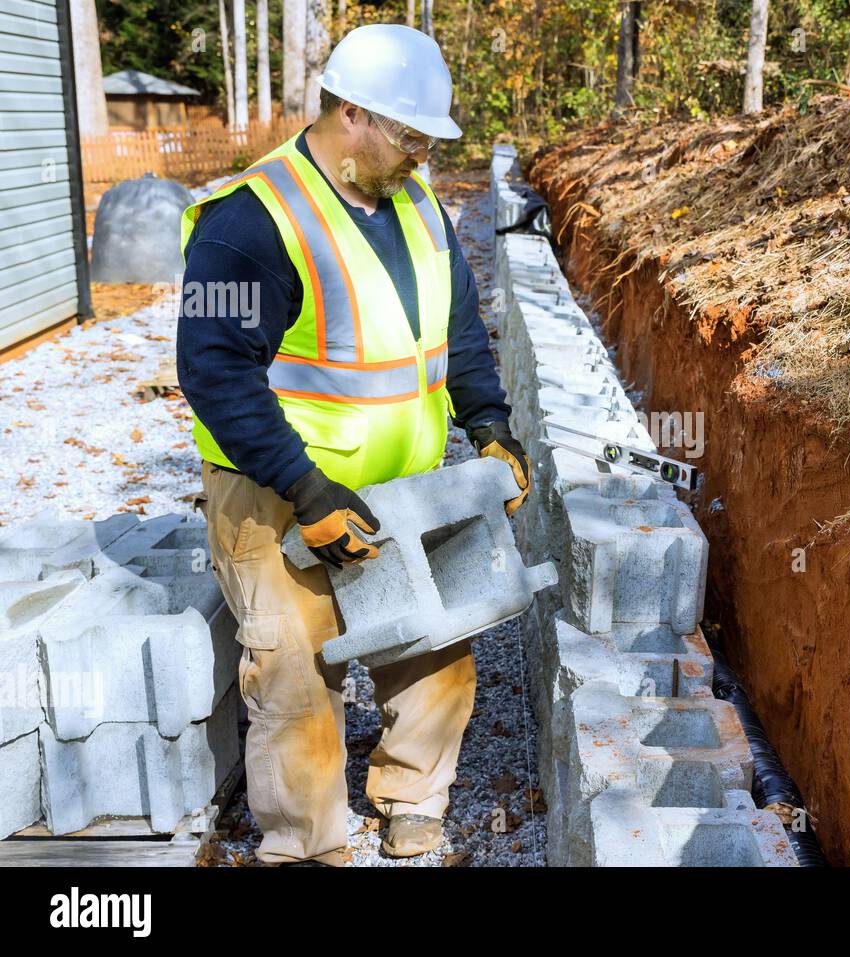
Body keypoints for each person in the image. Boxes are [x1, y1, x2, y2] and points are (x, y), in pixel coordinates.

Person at [176, 23, 530, 865]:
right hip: (275, 496)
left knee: (436, 648)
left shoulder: (422, 213)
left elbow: (460, 338)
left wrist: (491, 429)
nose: (420, 155)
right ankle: (306, 842)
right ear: (351, 112)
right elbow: (214, 369)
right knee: (297, 680)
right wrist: (306, 487)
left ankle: (413, 793)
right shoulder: (249, 221)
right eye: (409, 136)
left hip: (403, 488)